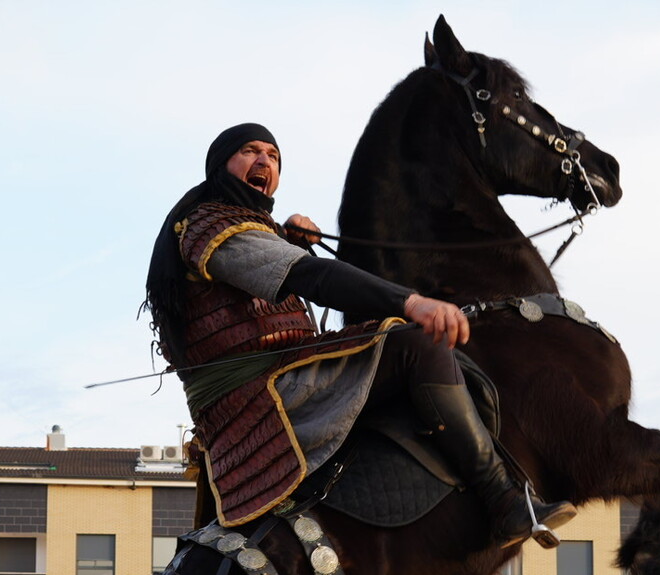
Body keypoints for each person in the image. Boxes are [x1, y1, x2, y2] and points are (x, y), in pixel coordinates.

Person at [143, 124, 575, 547]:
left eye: (273, 156)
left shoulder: (242, 226)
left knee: (442, 367)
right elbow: (308, 274)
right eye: (250, 151)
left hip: (284, 375)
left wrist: (284, 234)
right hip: (263, 394)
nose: (264, 161)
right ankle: (501, 501)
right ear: (222, 165)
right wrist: (412, 303)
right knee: (417, 347)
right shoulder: (211, 227)